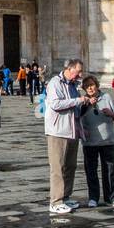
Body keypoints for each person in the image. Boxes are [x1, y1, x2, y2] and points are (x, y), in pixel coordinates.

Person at [44, 58, 88, 215]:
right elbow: (55, 104)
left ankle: (66, 196)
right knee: (58, 167)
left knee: (70, 166)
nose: (80, 75)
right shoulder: (55, 83)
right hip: (57, 131)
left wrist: (85, 103)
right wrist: (77, 100)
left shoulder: (72, 86)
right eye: (78, 71)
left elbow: (75, 107)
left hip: (72, 130)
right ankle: (55, 201)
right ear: (69, 69)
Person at [78, 75, 114, 208]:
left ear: (97, 85)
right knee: (91, 170)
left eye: (92, 85)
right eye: (87, 86)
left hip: (107, 140)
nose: (90, 88)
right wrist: (87, 105)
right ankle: (93, 198)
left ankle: (111, 198)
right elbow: (77, 118)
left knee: (109, 170)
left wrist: (112, 114)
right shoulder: (82, 101)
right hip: (89, 142)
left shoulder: (107, 97)